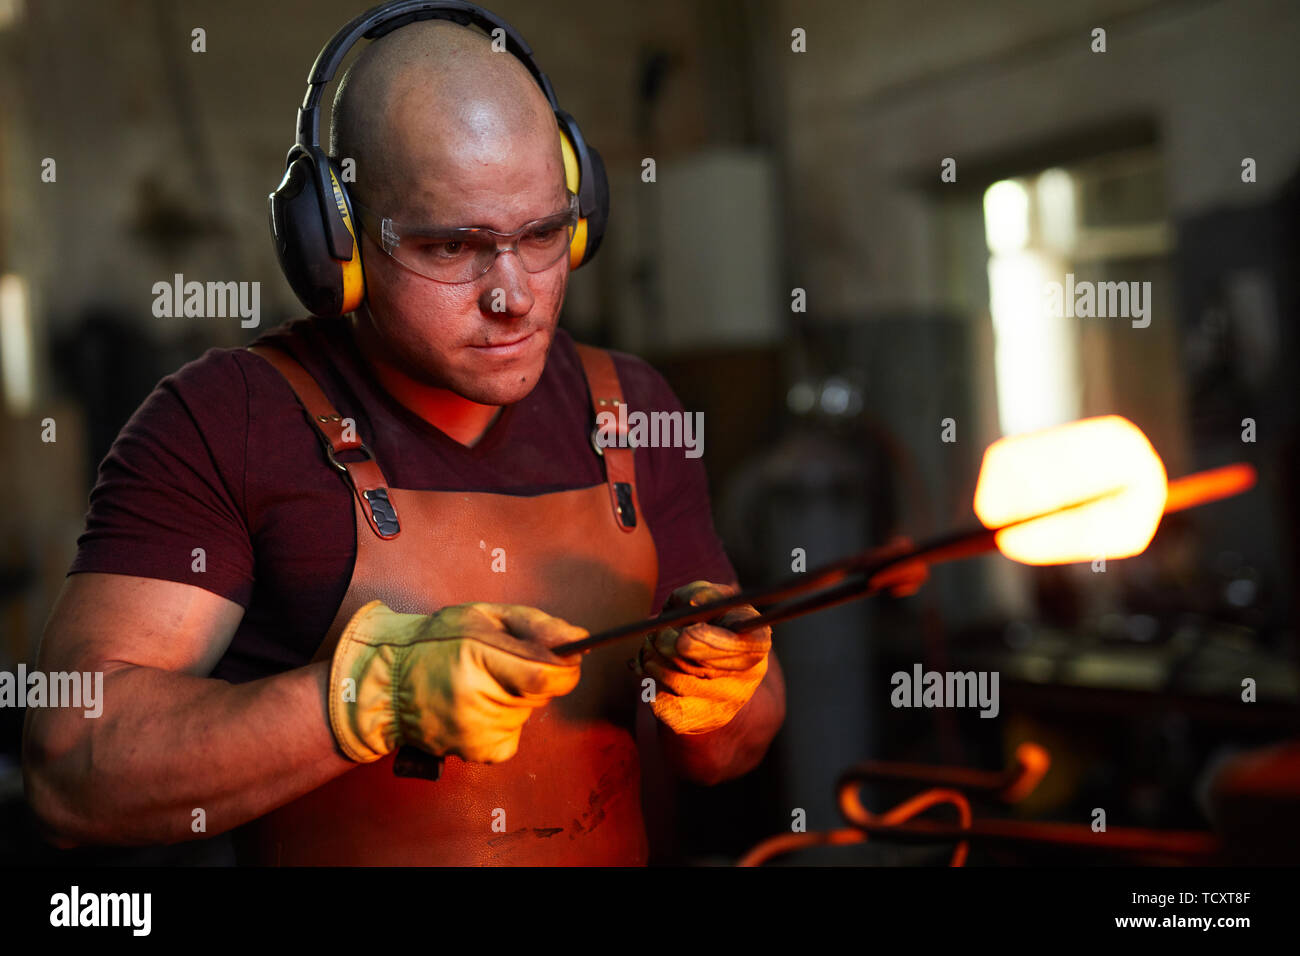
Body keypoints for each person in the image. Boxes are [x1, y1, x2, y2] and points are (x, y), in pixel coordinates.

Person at [22, 10, 784, 865]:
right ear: (336, 242)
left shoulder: (632, 407)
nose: (516, 296)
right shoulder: (225, 421)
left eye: (542, 235)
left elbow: (735, 750)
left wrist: (715, 693)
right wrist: (367, 699)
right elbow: (71, 770)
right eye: (453, 246)